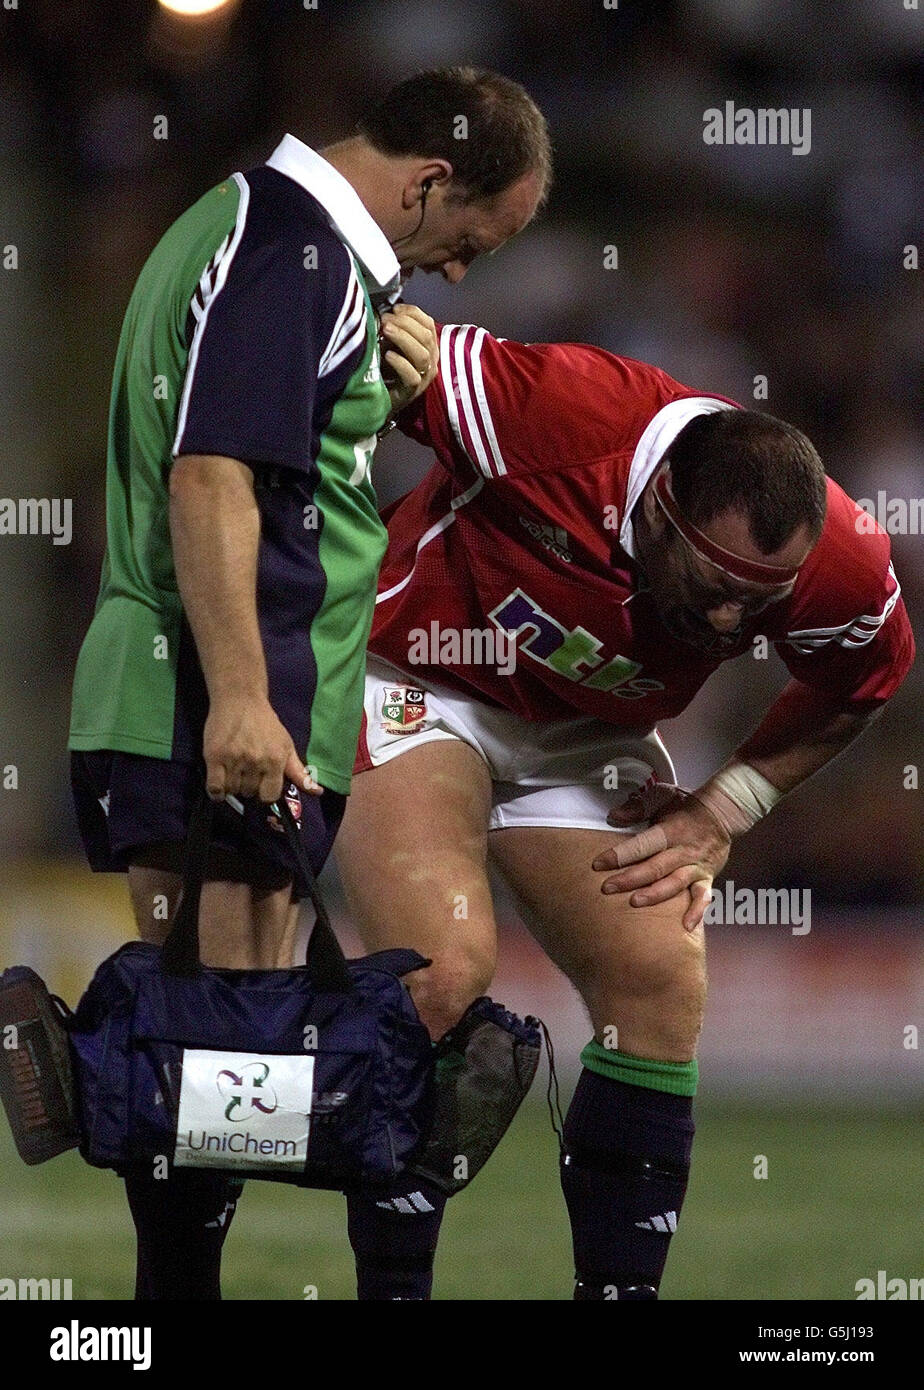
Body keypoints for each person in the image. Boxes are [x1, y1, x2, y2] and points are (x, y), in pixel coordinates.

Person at [67, 69, 551, 1301]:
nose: (453, 274)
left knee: (222, 1040)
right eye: (466, 242)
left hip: (235, 683)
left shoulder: (253, 229)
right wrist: (239, 695)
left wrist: (360, 408)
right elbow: (213, 474)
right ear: (430, 181)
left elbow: (265, 460)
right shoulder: (295, 253)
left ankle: (94, 1076)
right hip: (219, 693)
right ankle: (81, 1074)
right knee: (215, 1048)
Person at [334, 322, 915, 1299]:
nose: (735, 621)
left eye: (761, 601)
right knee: (439, 972)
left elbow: (863, 676)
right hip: (411, 674)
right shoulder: (559, 412)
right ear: (653, 506)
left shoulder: (839, 560)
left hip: (585, 730)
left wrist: (727, 806)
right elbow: (376, 353)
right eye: (718, 587)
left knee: (657, 979)